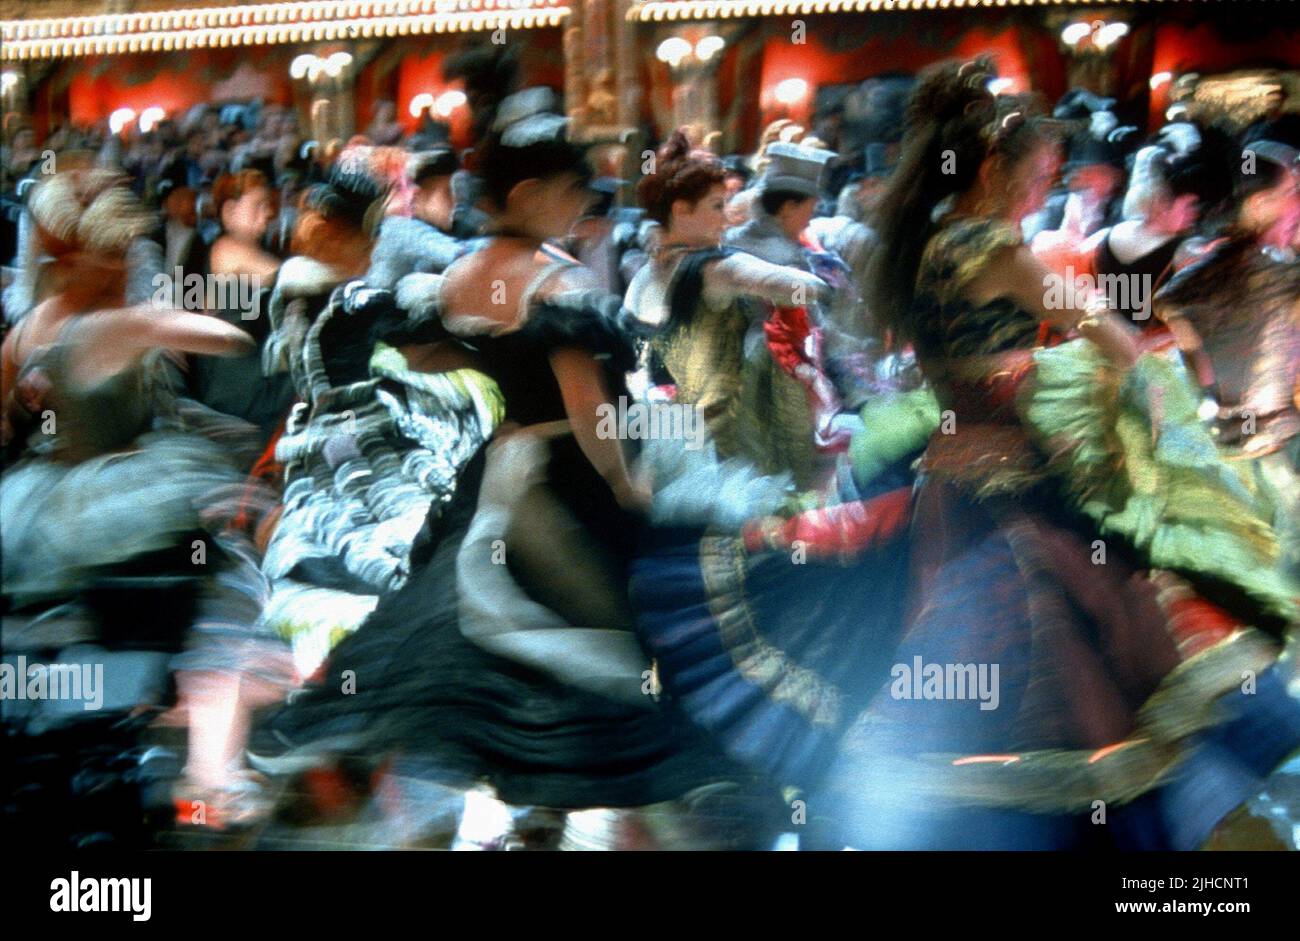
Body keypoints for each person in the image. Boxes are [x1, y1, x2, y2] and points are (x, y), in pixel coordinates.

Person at [254, 88, 758, 844]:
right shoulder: (555, 283)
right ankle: (623, 810)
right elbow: (589, 408)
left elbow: (427, 355)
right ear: (526, 194)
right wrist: (628, 485)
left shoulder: (461, 276)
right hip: (565, 478)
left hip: (496, 474)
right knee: (631, 645)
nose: (581, 203)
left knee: (498, 653)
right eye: (569, 190)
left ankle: (543, 814)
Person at [627, 132, 834, 490]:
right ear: (680, 210)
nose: (726, 219)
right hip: (718, 454)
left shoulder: (645, 271)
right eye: (717, 207)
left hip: (656, 443)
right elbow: (807, 289)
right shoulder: (716, 267)